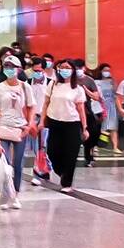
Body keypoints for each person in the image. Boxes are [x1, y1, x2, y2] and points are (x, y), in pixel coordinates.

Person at [0, 54, 36, 207]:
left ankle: (15, 194)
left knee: (18, 162)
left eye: (12, 67)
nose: (9, 70)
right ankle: (6, 194)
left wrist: (29, 125)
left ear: (19, 69)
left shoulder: (25, 87)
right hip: (2, 127)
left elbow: (31, 107)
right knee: (6, 164)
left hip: (20, 129)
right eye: (6, 67)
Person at [38, 60, 88, 192]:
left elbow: (81, 109)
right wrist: (42, 121)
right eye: (62, 67)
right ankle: (62, 172)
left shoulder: (77, 88)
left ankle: (67, 183)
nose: (65, 70)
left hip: (72, 123)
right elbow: (46, 103)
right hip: (54, 122)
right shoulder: (53, 84)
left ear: (72, 70)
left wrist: (85, 127)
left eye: (68, 67)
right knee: (53, 152)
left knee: (70, 154)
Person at [96, 62, 118, 155]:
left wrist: (114, 83)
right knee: (100, 126)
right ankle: (96, 145)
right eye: (105, 70)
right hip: (101, 105)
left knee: (113, 127)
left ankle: (115, 147)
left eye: (108, 70)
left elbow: (116, 93)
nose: (107, 72)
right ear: (101, 71)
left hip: (111, 105)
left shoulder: (111, 82)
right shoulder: (97, 82)